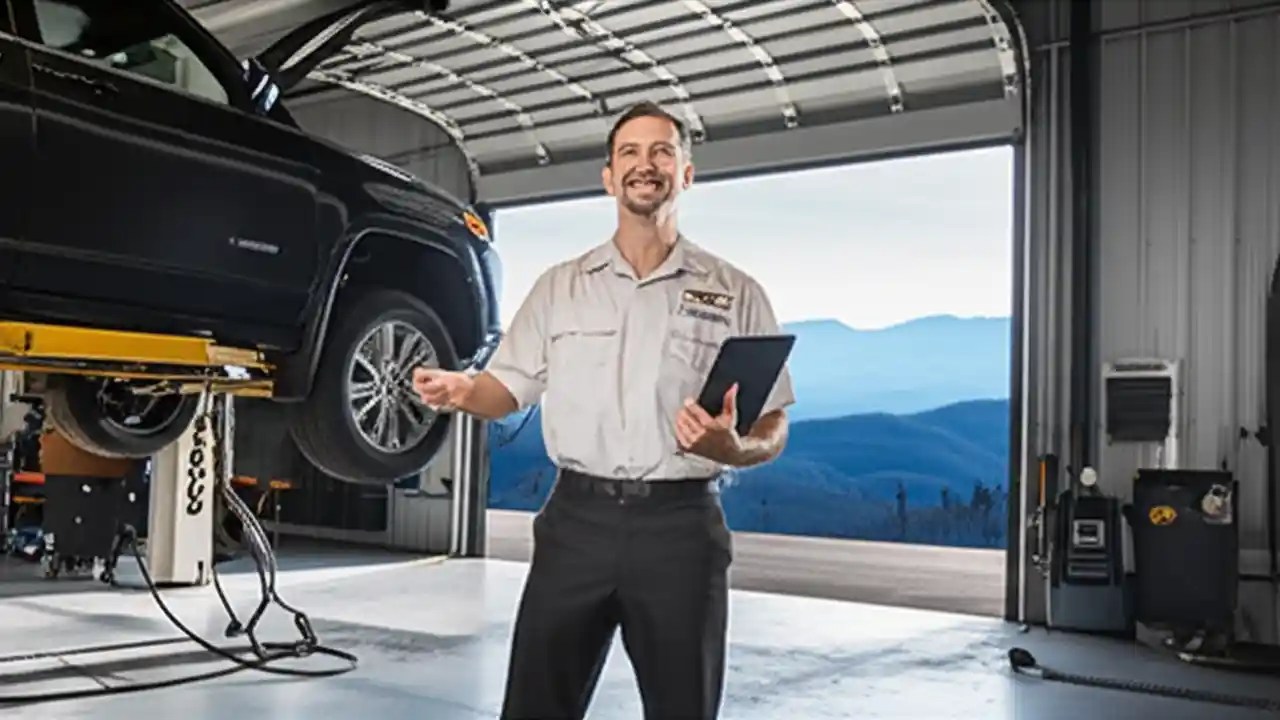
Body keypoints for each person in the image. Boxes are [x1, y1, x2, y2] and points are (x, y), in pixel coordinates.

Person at [412, 100, 794, 720]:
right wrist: (462, 390)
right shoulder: (560, 287)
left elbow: (773, 422)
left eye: (663, 151)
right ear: (609, 177)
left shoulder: (735, 292)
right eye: (630, 154)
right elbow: (507, 389)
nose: (646, 165)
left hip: (682, 532)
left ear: (687, 174)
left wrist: (736, 450)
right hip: (574, 526)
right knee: (535, 707)